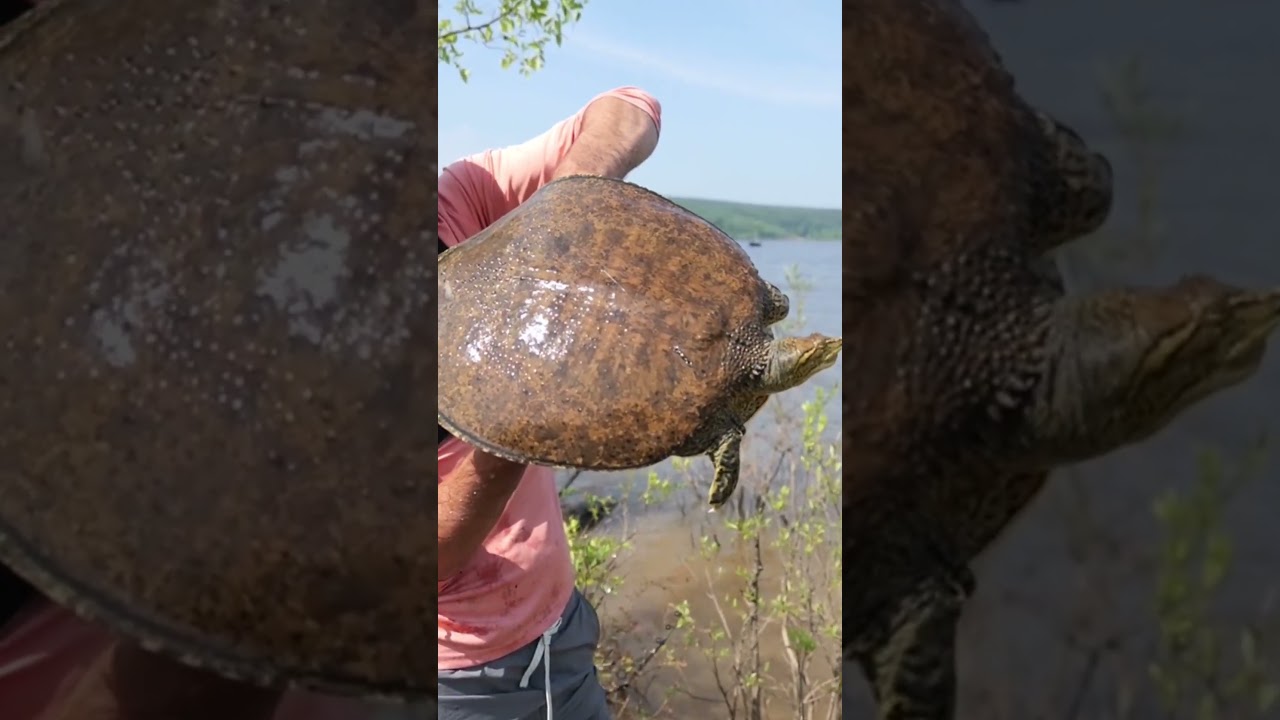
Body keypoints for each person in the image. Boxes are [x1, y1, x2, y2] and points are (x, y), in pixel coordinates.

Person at [438, 86, 662, 720]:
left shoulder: (459, 197)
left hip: (563, 630)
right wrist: (527, 408)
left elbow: (631, 107)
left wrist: (565, 203)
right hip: (462, 680)